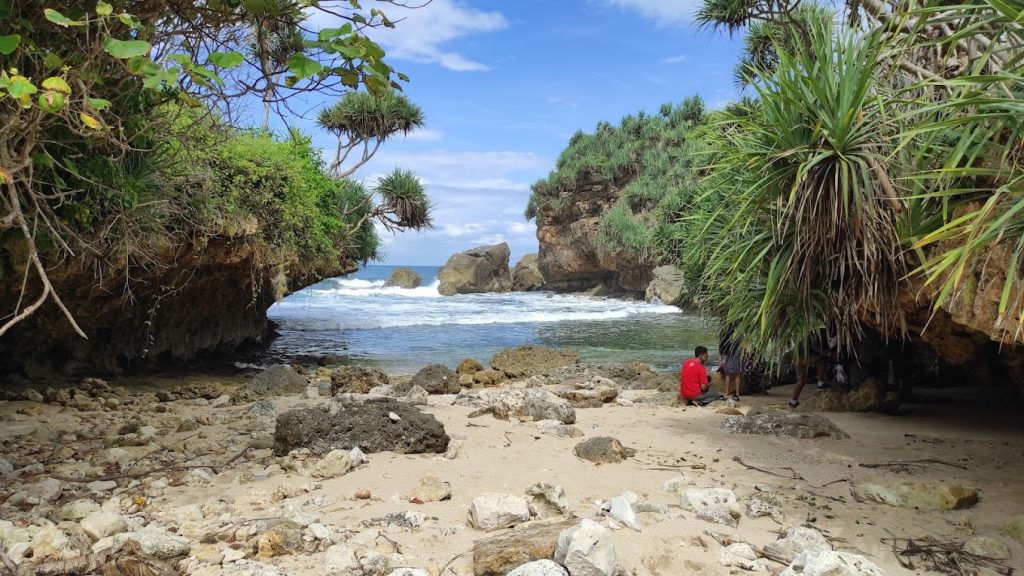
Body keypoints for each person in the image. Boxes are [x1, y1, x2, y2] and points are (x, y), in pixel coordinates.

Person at [788, 328, 838, 407]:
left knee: (801, 380)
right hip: (802, 355)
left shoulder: (820, 332)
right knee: (822, 360)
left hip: (797, 355)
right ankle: (820, 384)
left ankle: (793, 402)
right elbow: (814, 346)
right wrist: (829, 354)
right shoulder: (820, 333)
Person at [718, 324, 743, 401]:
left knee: (728, 375)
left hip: (728, 358)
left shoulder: (726, 339)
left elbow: (722, 350)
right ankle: (738, 393)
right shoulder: (738, 337)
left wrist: (721, 360)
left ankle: (727, 392)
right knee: (737, 375)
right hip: (737, 358)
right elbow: (742, 347)